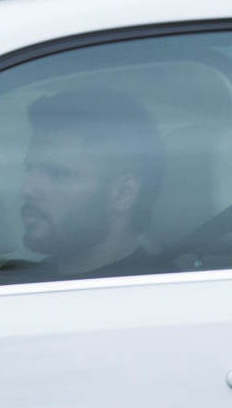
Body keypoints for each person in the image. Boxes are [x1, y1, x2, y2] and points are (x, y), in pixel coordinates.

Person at [18, 85, 168, 281]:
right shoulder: (5, 283)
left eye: (58, 174)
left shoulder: (164, 298)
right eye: (29, 169)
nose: (25, 190)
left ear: (123, 192)